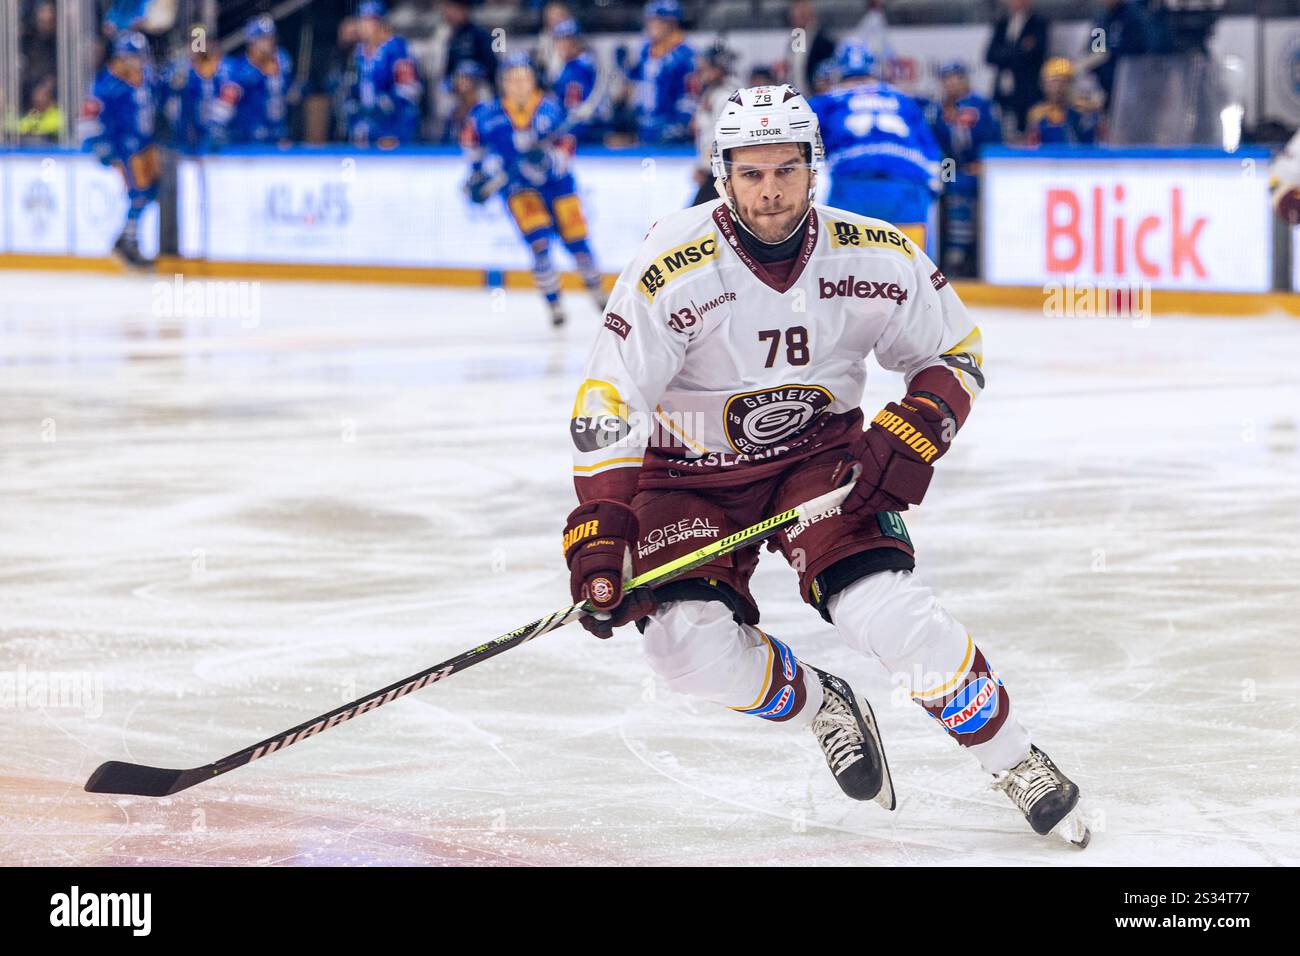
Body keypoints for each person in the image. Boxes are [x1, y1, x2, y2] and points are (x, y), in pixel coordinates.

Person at [560, 83, 1089, 846]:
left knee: (888, 612)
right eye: (751, 173)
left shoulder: (873, 252)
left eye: (786, 170)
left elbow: (956, 350)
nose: (770, 191)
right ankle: (822, 704)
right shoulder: (671, 264)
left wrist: (921, 422)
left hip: (818, 462)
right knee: (684, 651)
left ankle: (1014, 759)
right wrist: (603, 520)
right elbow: (610, 396)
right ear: (723, 175)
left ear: (815, 167)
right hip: (684, 475)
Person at [461, 53, 607, 328]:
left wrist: (550, 159)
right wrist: (478, 175)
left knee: (577, 242)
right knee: (539, 244)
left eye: (523, 78)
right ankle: (554, 303)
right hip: (519, 189)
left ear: (532, 80)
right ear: (503, 82)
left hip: (558, 186)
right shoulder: (487, 115)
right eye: (512, 79)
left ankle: (599, 292)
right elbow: (472, 148)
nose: (518, 84)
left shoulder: (551, 109)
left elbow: (567, 146)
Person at [809, 43, 942, 257]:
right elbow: (933, 154)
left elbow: (803, 146)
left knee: (848, 267)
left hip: (851, 185)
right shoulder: (902, 99)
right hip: (906, 185)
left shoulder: (826, 101)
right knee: (914, 266)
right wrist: (932, 188)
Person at [80, 30, 160, 268]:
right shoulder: (107, 84)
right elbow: (88, 119)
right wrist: (99, 146)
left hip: (145, 144)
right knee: (138, 192)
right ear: (120, 58)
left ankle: (127, 237)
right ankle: (128, 241)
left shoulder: (146, 77)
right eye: (131, 57)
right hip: (123, 146)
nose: (137, 62)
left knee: (150, 191)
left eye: (139, 57)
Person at [928, 62, 1001, 277]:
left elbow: (994, 139)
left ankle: (961, 252)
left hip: (978, 165)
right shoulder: (936, 109)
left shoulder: (982, 105)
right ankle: (944, 251)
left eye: (956, 78)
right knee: (948, 184)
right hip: (950, 165)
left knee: (962, 185)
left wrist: (983, 162)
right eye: (947, 79)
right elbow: (934, 144)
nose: (952, 83)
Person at [344, 1, 422, 148]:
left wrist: (387, 103)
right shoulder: (359, 52)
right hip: (368, 126)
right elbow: (354, 85)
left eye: (371, 21)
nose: (365, 26)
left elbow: (409, 90)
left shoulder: (397, 48)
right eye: (362, 20)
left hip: (394, 125)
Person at [624, 0, 695, 145]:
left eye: (654, 21)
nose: (649, 26)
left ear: (671, 23)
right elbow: (639, 79)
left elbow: (690, 94)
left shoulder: (684, 54)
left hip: (669, 126)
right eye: (649, 21)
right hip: (646, 124)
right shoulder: (646, 50)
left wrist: (680, 123)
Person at [160, 32, 237, 154]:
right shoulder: (180, 69)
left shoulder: (226, 67)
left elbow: (232, 95)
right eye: (197, 44)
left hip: (221, 134)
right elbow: (168, 103)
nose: (202, 48)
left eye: (205, 43)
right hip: (186, 132)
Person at [226, 15, 297, 145]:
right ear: (252, 41)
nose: (269, 42)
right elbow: (227, 101)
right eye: (263, 38)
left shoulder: (282, 59)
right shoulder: (239, 67)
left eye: (271, 37)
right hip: (248, 137)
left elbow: (291, 95)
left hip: (278, 134)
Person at [984, 0, 1048, 138]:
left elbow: (1036, 54)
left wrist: (1005, 53)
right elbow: (990, 55)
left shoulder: (1038, 23)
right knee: (1001, 127)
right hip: (1003, 87)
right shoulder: (1002, 23)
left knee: (1027, 130)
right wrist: (1019, 50)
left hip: (1027, 89)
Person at [688, 41, 738, 207]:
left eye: (705, 68)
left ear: (717, 69)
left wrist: (703, 167)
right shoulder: (711, 93)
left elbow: (720, 137)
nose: (700, 72)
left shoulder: (726, 96)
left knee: (697, 215)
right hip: (714, 171)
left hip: (721, 172)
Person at [551, 18, 606, 144]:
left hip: (590, 128)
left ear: (577, 41)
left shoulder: (588, 64)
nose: (561, 45)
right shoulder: (566, 66)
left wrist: (588, 109)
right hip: (572, 126)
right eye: (559, 40)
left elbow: (598, 96)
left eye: (567, 40)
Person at [1025, 58, 1101, 146]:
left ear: (1071, 86)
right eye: (1052, 83)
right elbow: (1031, 146)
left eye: (1063, 83)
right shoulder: (1037, 113)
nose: (1057, 88)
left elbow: (1092, 145)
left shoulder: (1081, 112)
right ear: (1044, 86)